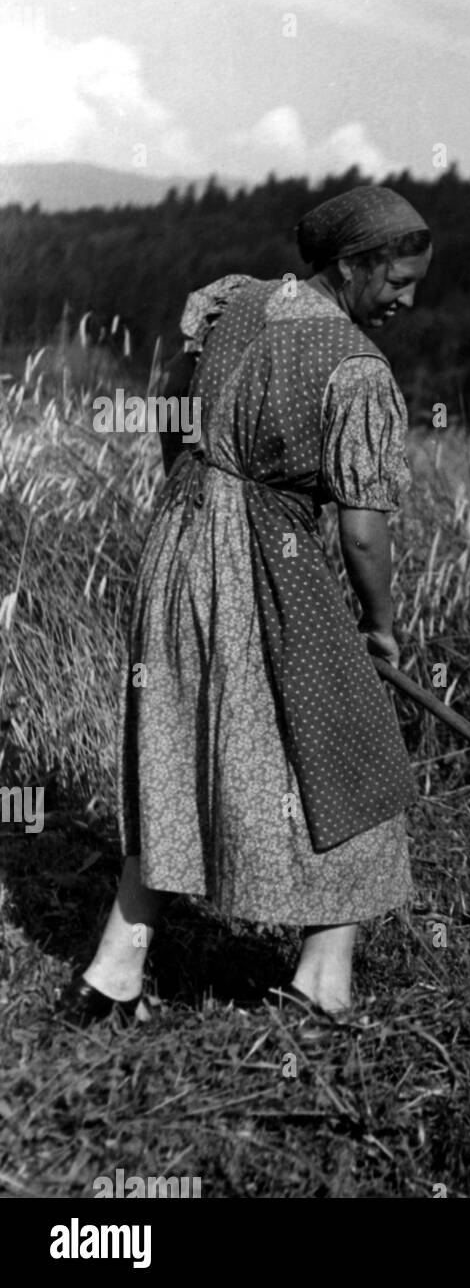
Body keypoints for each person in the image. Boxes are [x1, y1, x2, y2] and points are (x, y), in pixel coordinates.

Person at [58, 185, 432, 1029]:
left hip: (179, 541)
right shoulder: (354, 366)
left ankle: (115, 970)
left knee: (179, 743)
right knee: (353, 751)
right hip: (271, 560)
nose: (407, 298)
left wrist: (198, 498)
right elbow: (363, 532)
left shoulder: (234, 307)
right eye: (399, 280)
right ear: (351, 267)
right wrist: (379, 628)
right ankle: (322, 981)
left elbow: (170, 411)